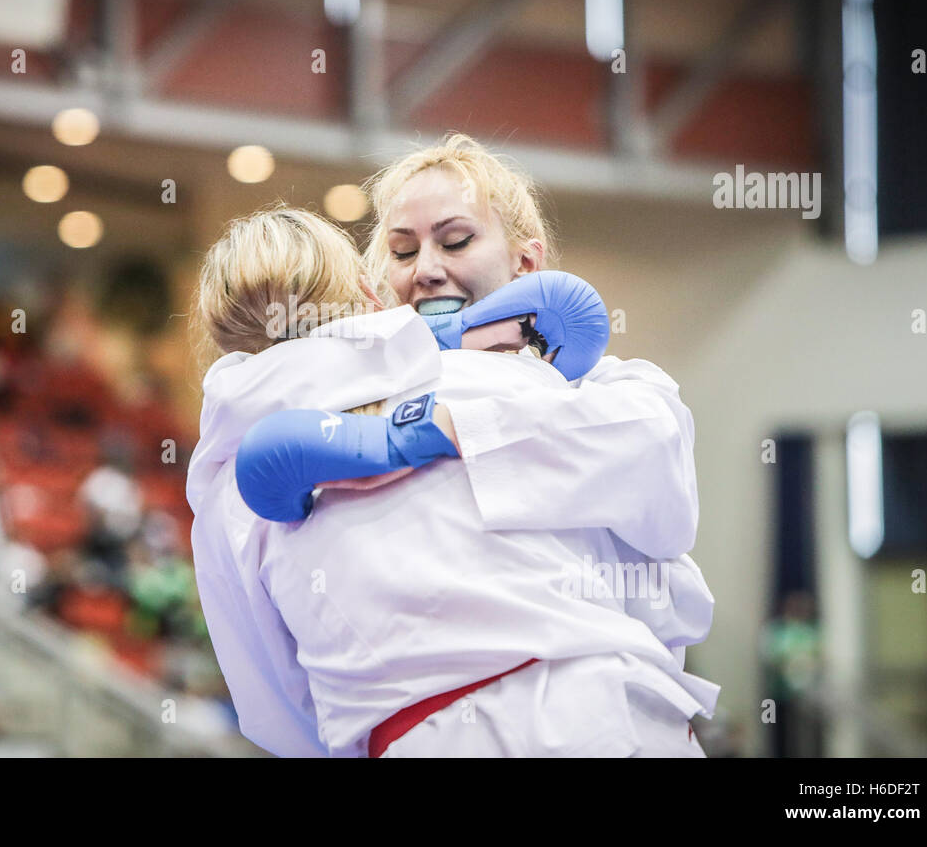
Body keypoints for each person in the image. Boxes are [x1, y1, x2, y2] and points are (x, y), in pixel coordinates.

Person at [188, 197, 717, 757]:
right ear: (371, 295)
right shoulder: (489, 378)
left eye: (456, 241)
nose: (428, 269)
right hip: (607, 711)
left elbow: (277, 709)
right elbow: (665, 578)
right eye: (404, 250)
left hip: (418, 737)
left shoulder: (226, 499)